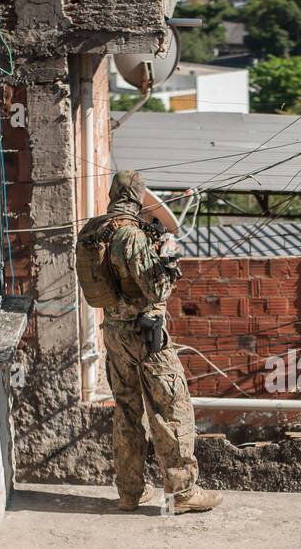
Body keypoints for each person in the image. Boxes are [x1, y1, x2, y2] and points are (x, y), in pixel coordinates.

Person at [75, 171, 221, 514]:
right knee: (172, 408)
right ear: (138, 198)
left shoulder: (94, 231)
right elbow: (156, 289)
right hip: (146, 334)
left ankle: (129, 492)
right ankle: (181, 494)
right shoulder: (130, 235)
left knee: (127, 412)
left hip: (113, 332)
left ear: (113, 195)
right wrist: (169, 259)